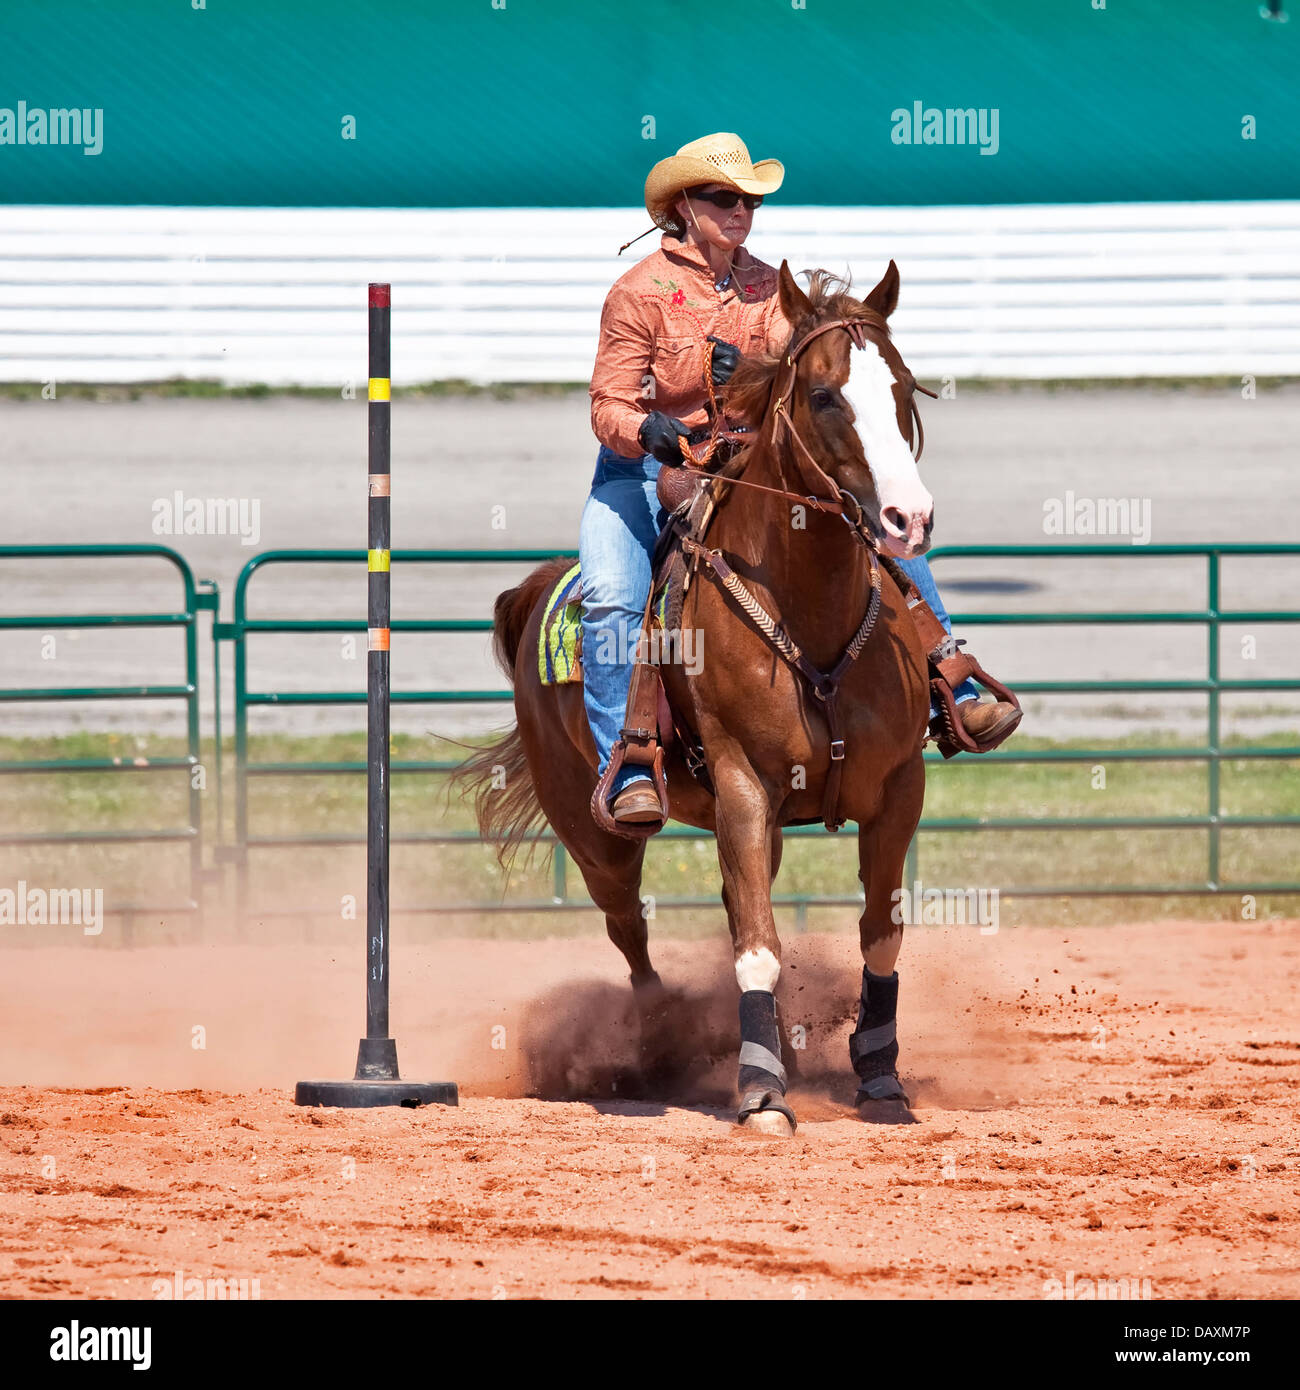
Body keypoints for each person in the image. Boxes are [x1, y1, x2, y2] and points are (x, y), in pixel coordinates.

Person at [583, 132, 1019, 827]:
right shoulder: (638, 293)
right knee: (610, 597)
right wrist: (650, 431)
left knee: (885, 531)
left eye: (749, 199)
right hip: (645, 473)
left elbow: (813, 380)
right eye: (724, 198)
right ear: (683, 206)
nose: (740, 211)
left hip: (749, 467)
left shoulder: (771, 291)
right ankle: (629, 761)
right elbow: (608, 404)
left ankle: (948, 682)